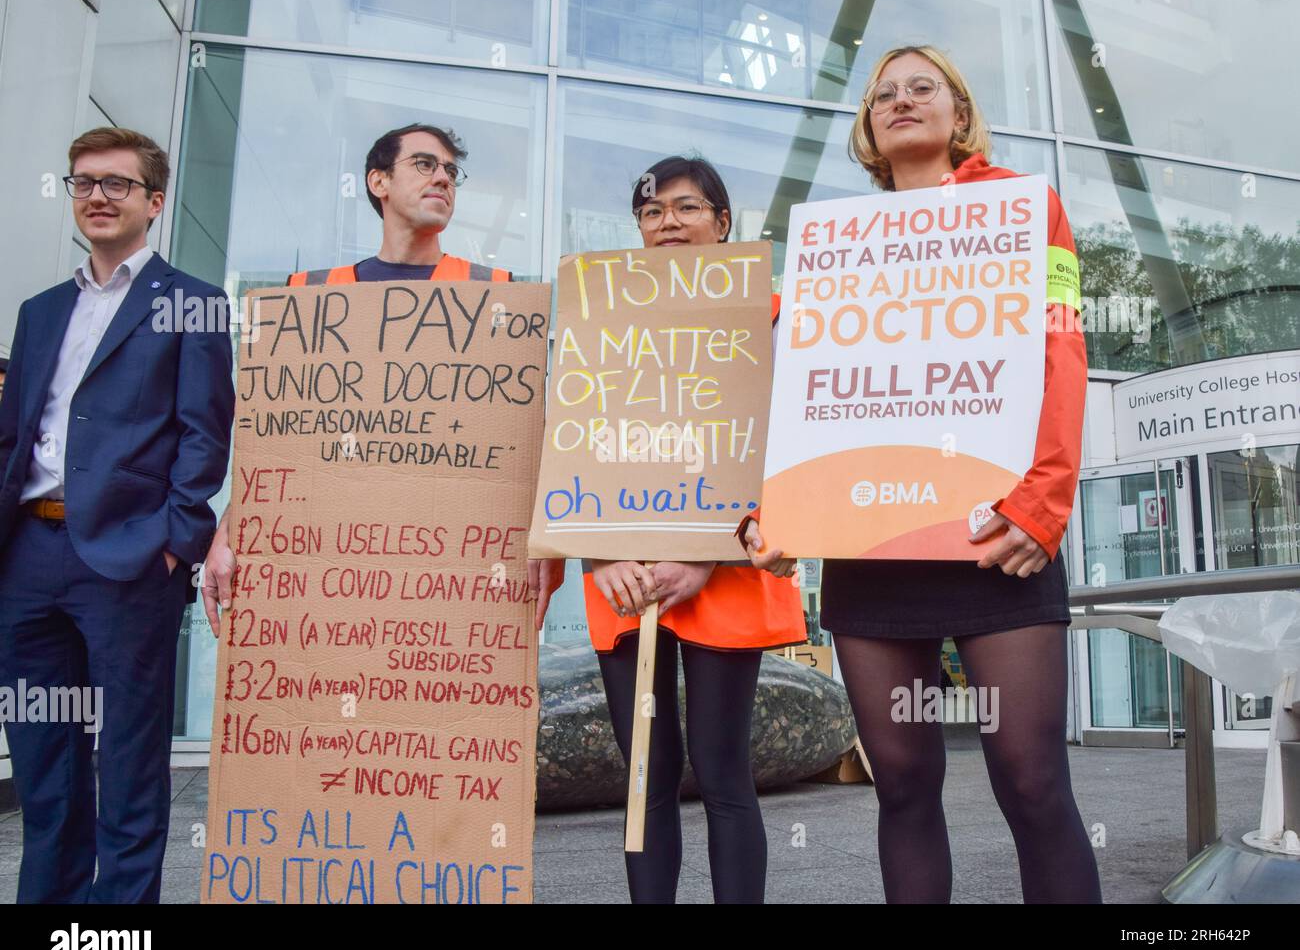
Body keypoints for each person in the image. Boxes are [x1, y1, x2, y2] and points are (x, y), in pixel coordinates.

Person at [745, 45, 1102, 903]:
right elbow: (791, 394)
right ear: (869, 128)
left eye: (922, 88)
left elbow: (1062, 350)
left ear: (957, 112)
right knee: (901, 788)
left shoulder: (1027, 210)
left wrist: (1044, 504)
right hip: (872, 546)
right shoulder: (831, 250)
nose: (901, 100)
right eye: (883, 95)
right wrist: (776, 511)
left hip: (995, 535)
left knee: (1031, 782)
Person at [201, 122, 565, 630]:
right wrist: (230, 529)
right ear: (378, 182)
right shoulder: (310, 299)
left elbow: (525, 439)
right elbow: (275, 445)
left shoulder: (496, 296)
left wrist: (548, 539)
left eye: (451, 172)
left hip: (456, 570)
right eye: (424, 164)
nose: (442, 178)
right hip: (330, 564)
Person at [0, 127, 235, 902]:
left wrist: (175, 542)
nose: (96, 196)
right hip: (28, 557)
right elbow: (15, 433)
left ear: (154, 201)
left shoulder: (193, 304)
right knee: (45, 768)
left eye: (116, 184)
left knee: (130, 766)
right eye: (83, 182)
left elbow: (205, 435)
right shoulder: (39, 311)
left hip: (131, 562)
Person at [584, 155, 805, 904]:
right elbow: (573, 442)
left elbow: (788, 450)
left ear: (723, 223)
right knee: (644, 771)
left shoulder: (773, 318)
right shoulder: (600, 315)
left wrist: (709, 558)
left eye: (686, 207)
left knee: (721, 771)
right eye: (651, 211)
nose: (668, 222)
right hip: (623, 574)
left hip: (725, 577)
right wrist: (596, 553)